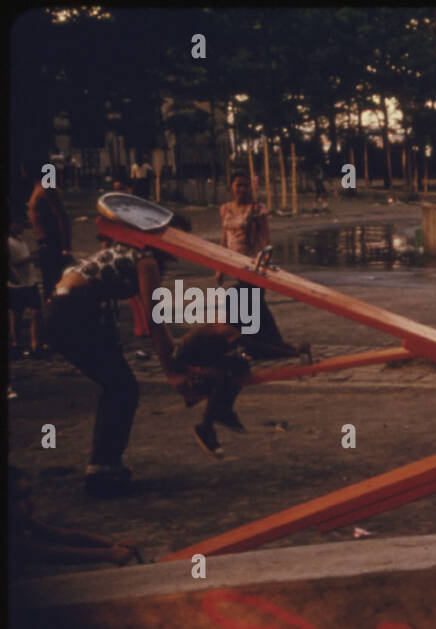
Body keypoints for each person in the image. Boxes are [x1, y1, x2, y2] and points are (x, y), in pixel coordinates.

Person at [43, 214, 194, 496]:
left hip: (62, 309)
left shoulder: (133, 251)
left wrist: (175, 354)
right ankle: (101, 472)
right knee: (122, 388)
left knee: (118, 386)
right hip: (72, 312)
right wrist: (172, 372)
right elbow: (154, 321)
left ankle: (105, 466)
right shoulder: (146, 260)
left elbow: (157, 323)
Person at [216, 173, 308, 360]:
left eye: (245, 185)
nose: (241, 189)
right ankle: (259, 345)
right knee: (250, 306)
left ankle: (265, 345)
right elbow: (224, 238)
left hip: (252, 264)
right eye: (238, 185)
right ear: (231, 188)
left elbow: (266, 237)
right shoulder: (226, 209)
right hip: (232, 264)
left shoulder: (257, 209)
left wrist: (265, 260)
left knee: (248, 302)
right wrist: (219, 267)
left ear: (251, 187)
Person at [8, 466, 141, 572]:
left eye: (28, 495)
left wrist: (112, 544)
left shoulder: (18, 518)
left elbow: (59, 534)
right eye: (20, 497)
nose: (30, 503)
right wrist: (109, 554)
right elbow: (42, 552)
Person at [172, 320, 251, 458]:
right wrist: (291, 351)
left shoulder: (229, 325)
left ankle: (225, 412)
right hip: (186, 361)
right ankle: (206, 427)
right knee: (223, 377)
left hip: (202, 356)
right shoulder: (227, 329)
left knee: (241, 367)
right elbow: (253, 347)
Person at [25, 166, 72, 302]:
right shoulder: (38, 188)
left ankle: (55, 315)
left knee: (52, 283)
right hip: (44, 242)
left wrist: (65, 248)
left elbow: (62, 217)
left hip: (51, 242)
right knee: (49, 282)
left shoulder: (46, 188)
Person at [8, 216, 45, 356]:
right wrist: (31, 258)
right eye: (19, 224)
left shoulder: (20, 239)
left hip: (31, 281)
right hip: (16, 285)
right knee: (17, 315)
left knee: (37, 312)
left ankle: (36, 345)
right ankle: (16, 344)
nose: (22, 227)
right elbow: (11, 264)